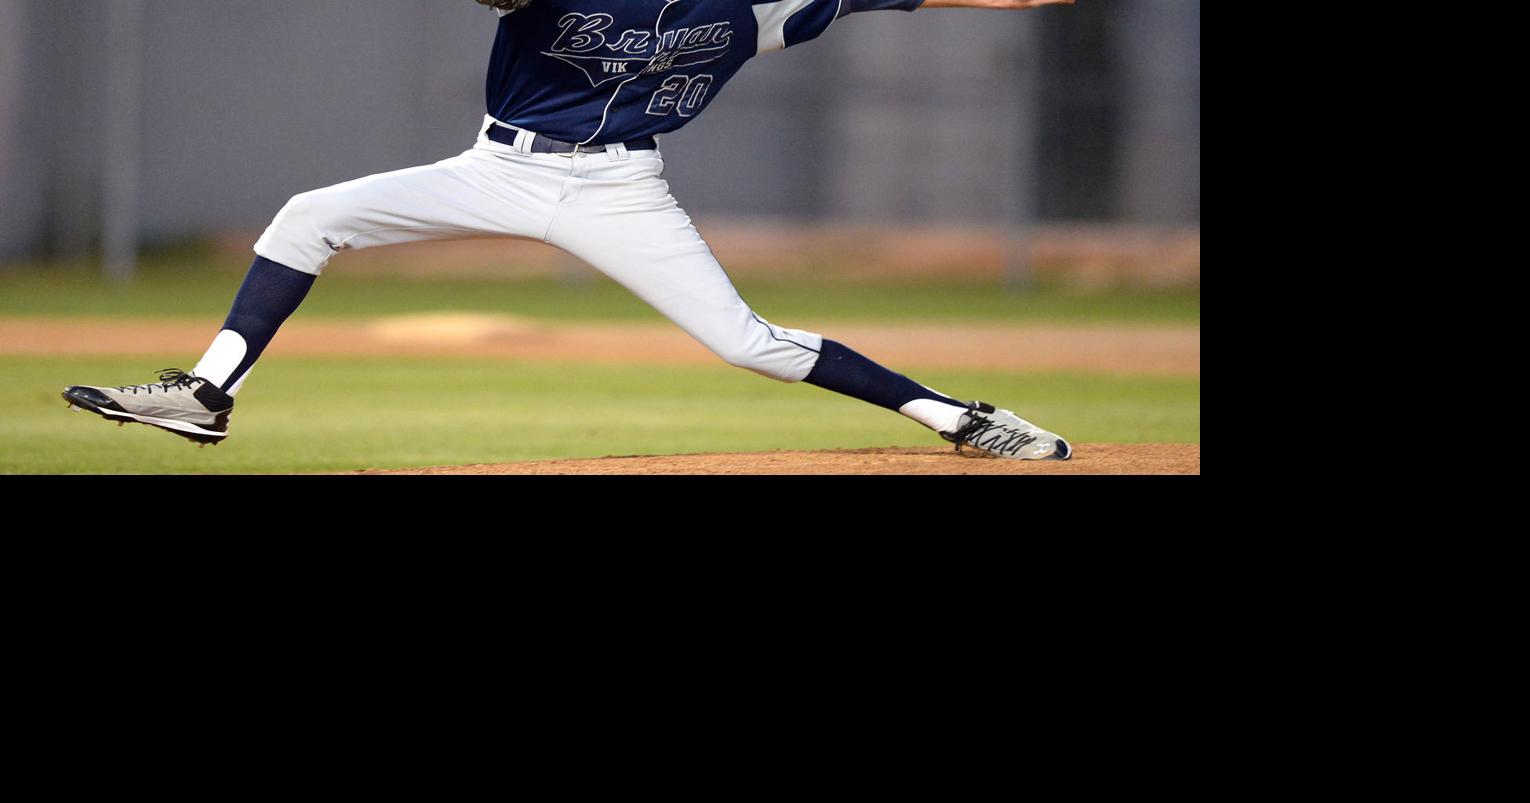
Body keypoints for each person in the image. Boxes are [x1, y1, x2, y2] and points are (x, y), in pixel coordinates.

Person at [62, 0, 1075, 461]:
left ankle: (957, 417)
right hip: (493, 166)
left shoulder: (751, 11)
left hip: (621, 191)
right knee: (309, 217)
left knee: (745, 341)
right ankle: (205, 393)